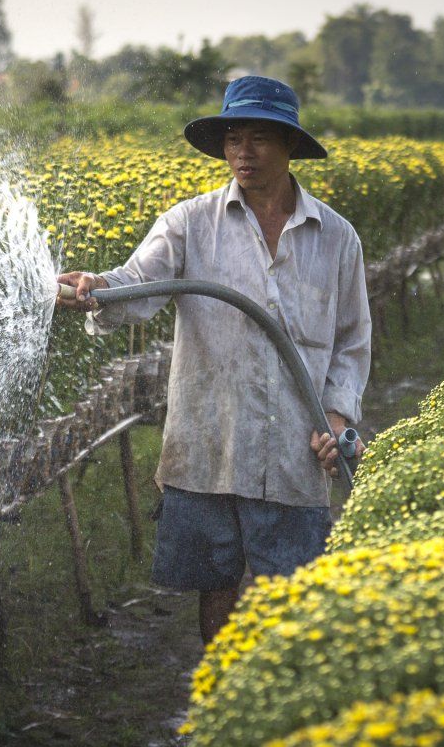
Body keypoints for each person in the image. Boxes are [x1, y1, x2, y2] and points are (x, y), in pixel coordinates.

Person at [54, 75, 371, 644]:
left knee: (294, 597)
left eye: (258, 139)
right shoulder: (190, 223)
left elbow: (351, 341)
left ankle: (284, 707)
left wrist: (339, 420)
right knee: (217, 584)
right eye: (232, 139)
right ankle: (221, 698)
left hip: (298, 444)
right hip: (210, 437)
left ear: (290, 146)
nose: (242, 153)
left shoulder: (337, 237)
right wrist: (96, 285)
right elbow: (138, 284)